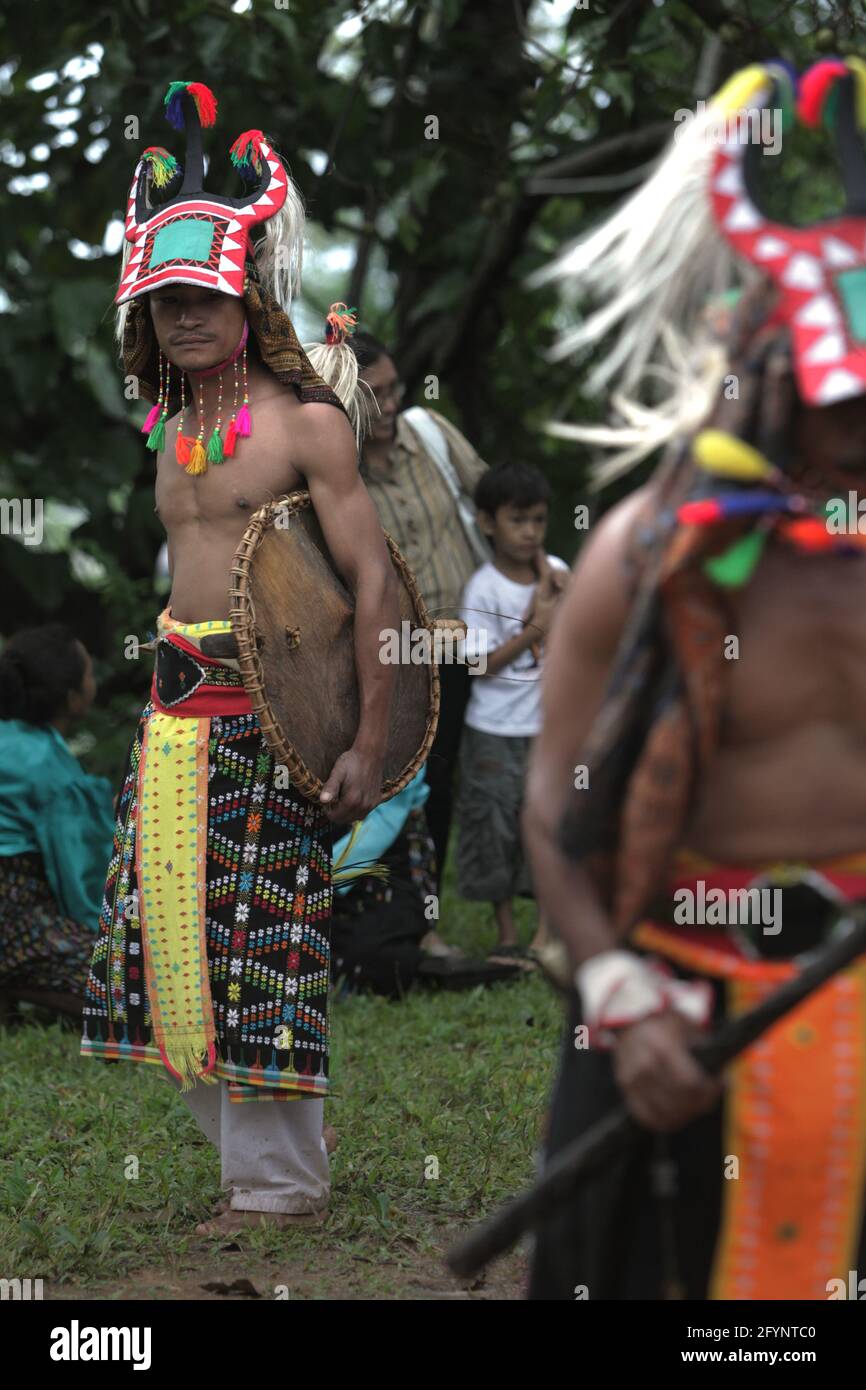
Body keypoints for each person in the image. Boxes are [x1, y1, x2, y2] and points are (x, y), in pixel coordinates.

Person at [524, 59, 866, 1299]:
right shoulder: (642, 558)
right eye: (849, 413)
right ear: (766, 377)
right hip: (678, 998)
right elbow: (555, 812)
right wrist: (618, 993)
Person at [80, 81, 398, 1235]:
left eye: (202, 299)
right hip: (172, 722)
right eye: (163, 305)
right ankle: (250, 1169)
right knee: (160, 928)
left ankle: (278, 1187)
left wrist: (366, 736)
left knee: (263, 934)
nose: (184, 321)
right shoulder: (166, 426)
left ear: (243, 295)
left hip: (271, 723)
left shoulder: (308, 422)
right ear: (145, 315)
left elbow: (371, 581)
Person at [349, 332, 489, 908]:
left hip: (466, 642)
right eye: (371, 396)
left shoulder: (430, 434)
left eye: (393, 389)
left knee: (451, 771)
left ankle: (425, 908)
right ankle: (377, 905)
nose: (387, 406)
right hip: (389, 656)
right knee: (393, 780)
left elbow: (493, 502)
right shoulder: (339, 470)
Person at [455, 464, 568, 966]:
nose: (529, 532)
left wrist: (559, 605)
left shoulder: (559, 574)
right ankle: (506, 935)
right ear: (487, 523)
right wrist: (534, 629)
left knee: (547, 826)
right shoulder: (483, 590)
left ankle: (546, 932)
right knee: (494, 826)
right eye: (517, 520)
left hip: (548, 728)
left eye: (538, 521)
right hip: (492, 729)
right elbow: (478, 665)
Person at [0, 625, 114, 1020]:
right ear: (71, 697)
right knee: (125, 978)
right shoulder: (47, 765)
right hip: (14, 916)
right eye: (88, 673)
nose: (92, 681)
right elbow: (80, 876)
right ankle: (19, 975)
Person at [330, 767, 522, 994]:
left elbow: (385, 822)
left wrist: (320, 878)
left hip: (392, 858)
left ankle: (434, 958)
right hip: (331, 853)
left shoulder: (402, 740)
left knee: (376, 956)